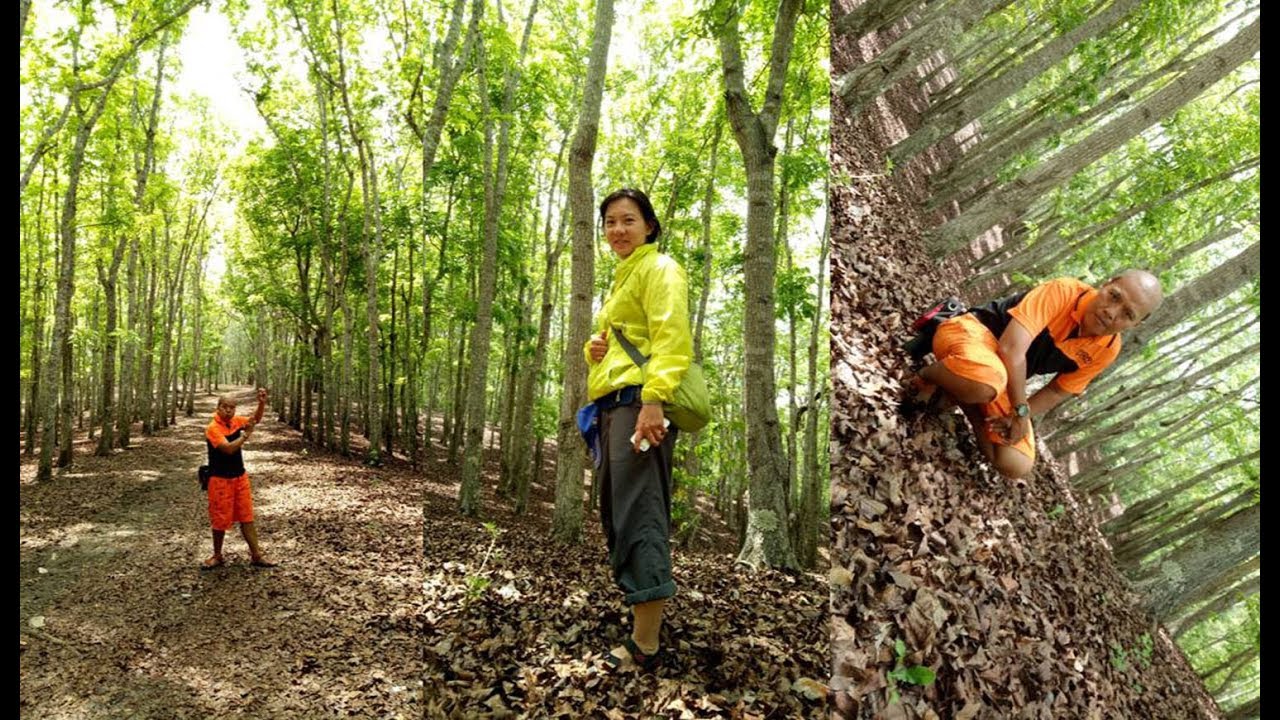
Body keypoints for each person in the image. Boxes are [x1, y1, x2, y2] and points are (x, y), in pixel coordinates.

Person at [904, 270, 1163, 480]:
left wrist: (1014, 418)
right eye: (1114, 296)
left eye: (1127, 314)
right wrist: (1020, 411)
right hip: (973, 333)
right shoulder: (1064, 291)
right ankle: (928, 374)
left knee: (1016, 464)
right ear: (1106, 283)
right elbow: (1011, 348)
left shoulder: (1107, 349)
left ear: (1135, 325)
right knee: (985, 380)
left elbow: (1057, 391)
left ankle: (963, 394)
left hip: (999, 377)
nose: (1111, 311)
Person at [584, 188, 693, 672]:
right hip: (614, 408)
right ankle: (639, 621)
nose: (617, 230)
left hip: (639, 406)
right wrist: (598, 352)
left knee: (640, 513)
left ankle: (645, 645)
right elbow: (635, 338)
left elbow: (672, 337)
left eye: (628, 220)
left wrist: (653, 400)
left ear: (649, 225)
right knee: (617, 515)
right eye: (609, 222)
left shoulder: (660, 268)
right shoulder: (622, 278)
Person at [201, 388, 277, 570]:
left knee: (246, 516)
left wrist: (261, 403)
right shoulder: (212, 428)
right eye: (225, 407)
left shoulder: (235, 422)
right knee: (220, 519)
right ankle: (217, 555)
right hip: (219, 480)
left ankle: (256, 555)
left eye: (232, 408)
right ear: (218, 407)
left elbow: (255, 420)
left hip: (239, 477)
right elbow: (228, 449)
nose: (229, 410)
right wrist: (245, 435)